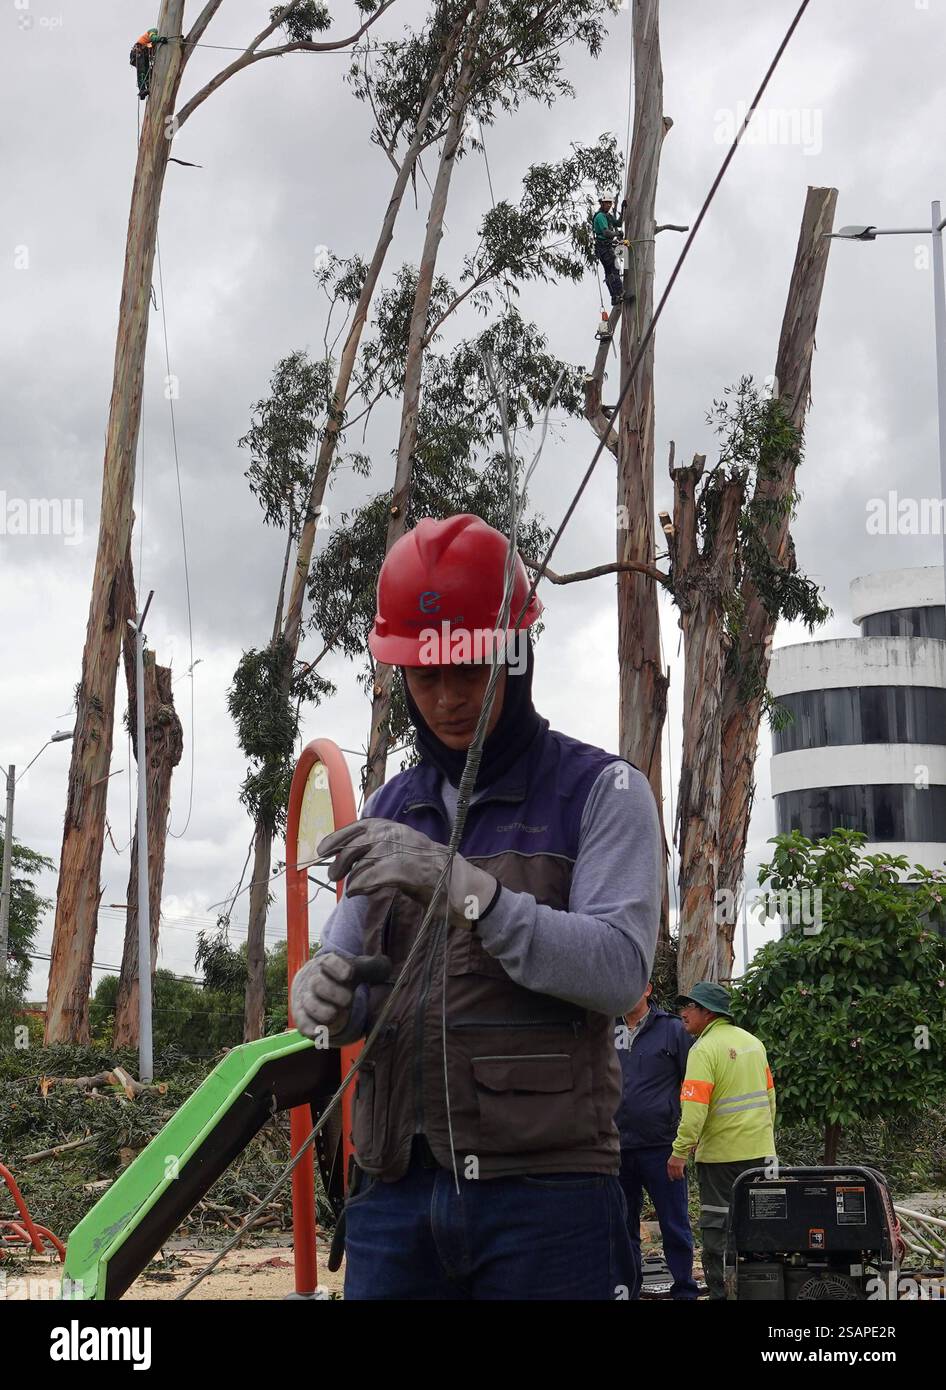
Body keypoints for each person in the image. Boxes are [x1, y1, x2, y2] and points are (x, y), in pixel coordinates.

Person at [291, 513, 662, 1300]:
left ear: (515, 657)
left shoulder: (605, 793)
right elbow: (349, 975)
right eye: (426, 677)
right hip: (393, 1195)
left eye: (471, 670)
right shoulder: (390, 807)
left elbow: (619, 972)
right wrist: (322, 998)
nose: (449, 698)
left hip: (547, 1197)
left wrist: (465, 886)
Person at [668, 982, 776, 1301]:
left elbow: (694, 1109)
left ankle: (722, 1294)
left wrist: (679, 1152)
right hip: (762, 1156)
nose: (683, 1013)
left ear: (708, 1013)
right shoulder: (754, 1043)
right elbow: (770, 1100)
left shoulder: (704, 1049)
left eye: (690, 1007)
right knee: (761, 1224)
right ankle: (763, 1291)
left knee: (717, 1229)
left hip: (722, 1159)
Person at [614, 981, 697, 1300]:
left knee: (674, 1224)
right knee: (622, 1227)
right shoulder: (607, 1030)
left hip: (662, 1147)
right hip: (617, 1148)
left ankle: (684, 1291)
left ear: (647, 989)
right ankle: (626, 1291)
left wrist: (687, 1139)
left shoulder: (672, 1030)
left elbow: (691, 1085)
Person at [592, 194, 628, 306]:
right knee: (613, 269)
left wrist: (623, 209)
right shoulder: (600, 217)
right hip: (603, 247)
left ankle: (615, 297)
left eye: (610, 203)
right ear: (602, 203)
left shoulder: (607, 216)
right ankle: (620, 293)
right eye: (606, 203)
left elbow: (618, 223)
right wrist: (617, 233)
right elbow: (606, 233)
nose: (608, 205)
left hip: (605, 247)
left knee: (609, 272)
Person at [129, 28, 164, 101]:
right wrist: (160, 39)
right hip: (138, 52)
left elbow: (150, 48)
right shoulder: (153, 31)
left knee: (148, 71)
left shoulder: (151, 44)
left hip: (143, 55)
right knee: (142, 71)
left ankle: (148, 86)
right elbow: (153, 37)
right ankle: (142, 90)